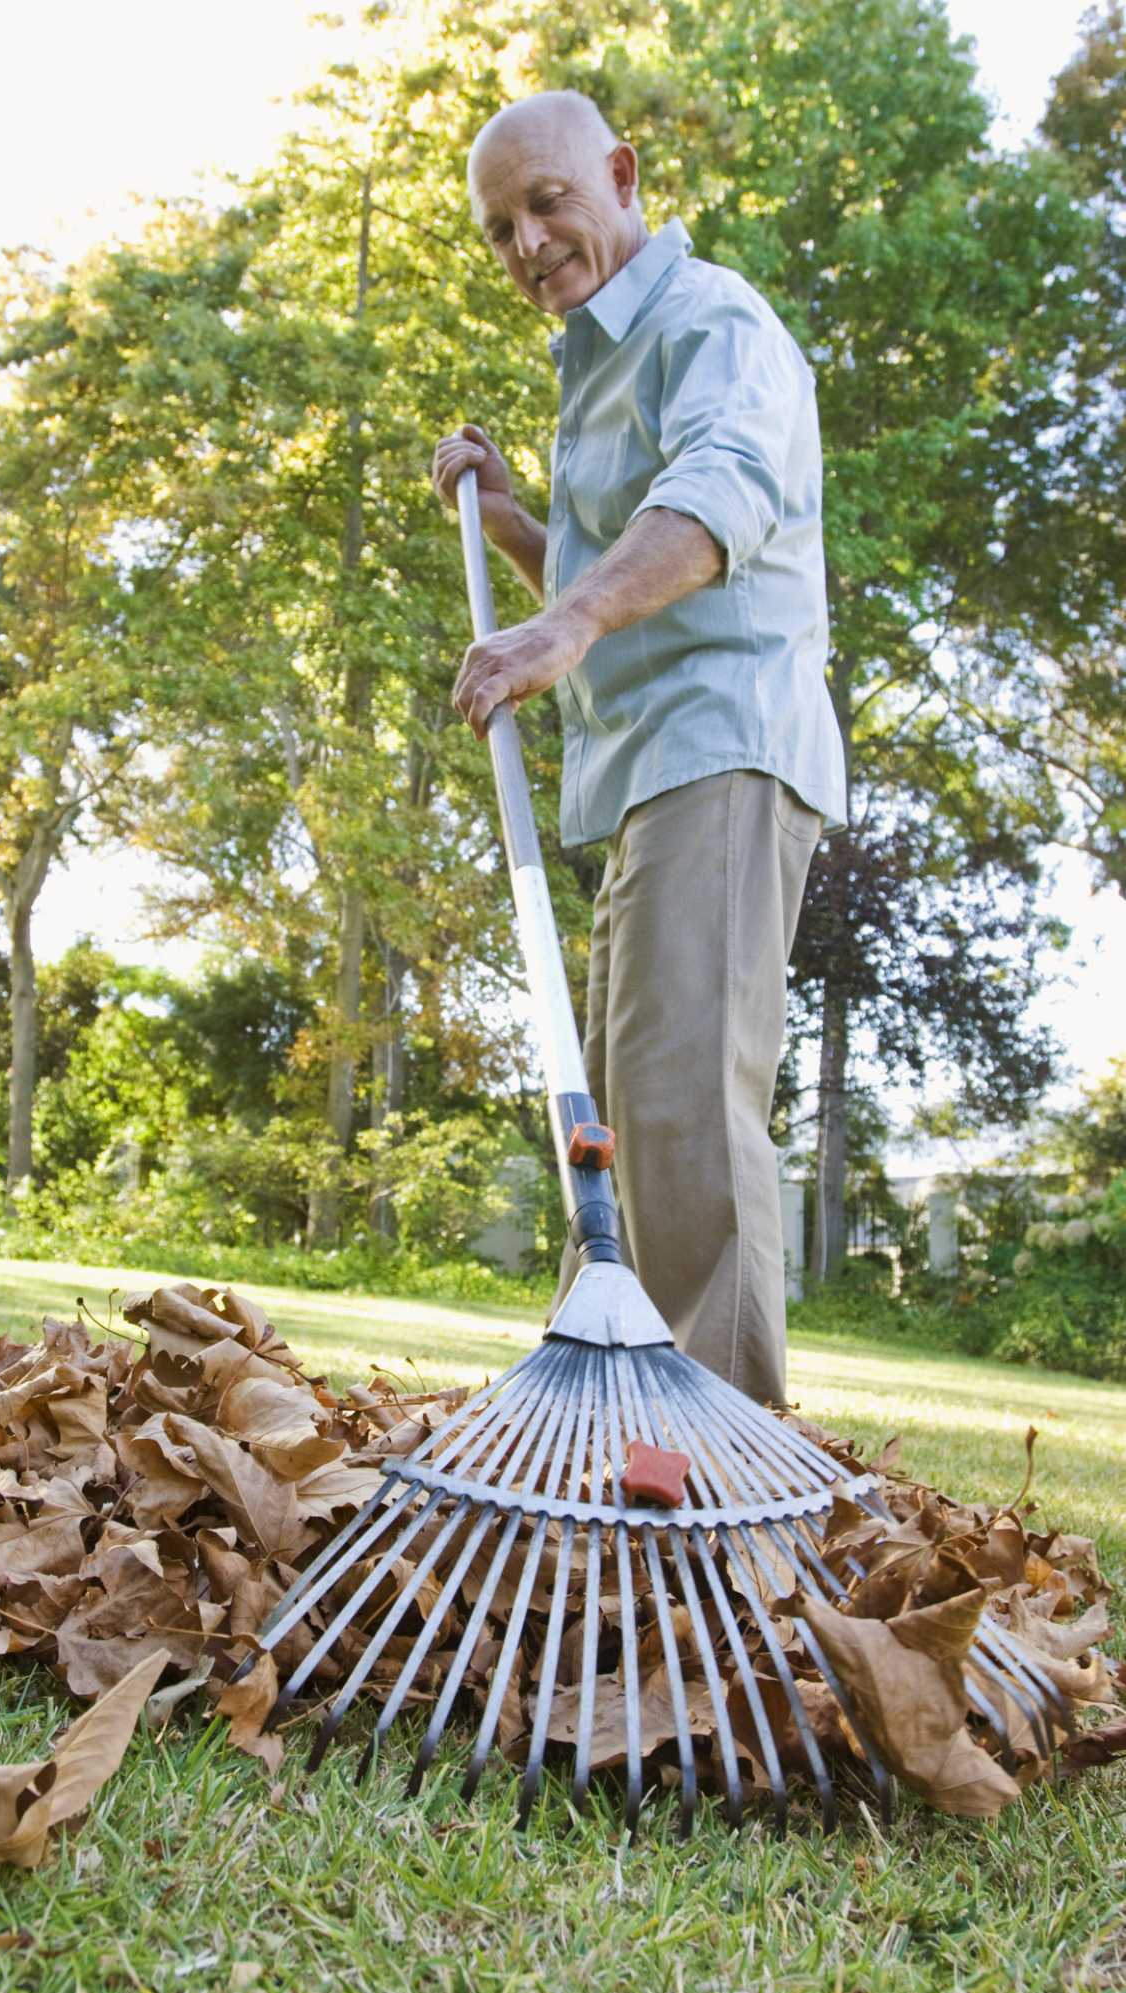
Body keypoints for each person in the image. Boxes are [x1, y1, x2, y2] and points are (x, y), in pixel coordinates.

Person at [431, 91, 846, 1407]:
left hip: (722, 748)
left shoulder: (707, 320)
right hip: (647, 779)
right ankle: (612, 1442)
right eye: (499, 227)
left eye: (547, 202)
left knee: (678, 1121)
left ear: (618, 175)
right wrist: (509, 522)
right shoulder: (598, 360)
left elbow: (714, 500)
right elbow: (607, 577)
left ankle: (722, 1468)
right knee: (611, 1138)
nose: (526, 242)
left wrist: (565, 623)